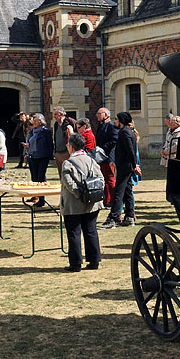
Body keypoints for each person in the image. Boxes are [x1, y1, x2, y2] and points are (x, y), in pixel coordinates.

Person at [60, 133, 104, 272]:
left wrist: (78, 193)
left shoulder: (68, 163)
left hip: (74, 204)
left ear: (71, 147)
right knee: (91, 231)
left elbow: (68, 183)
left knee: (74, 232)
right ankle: (94, 260)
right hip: (92, 202)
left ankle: (76, 263)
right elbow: (101, 179)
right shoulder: (91, 160)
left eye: (68, 145)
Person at [99, 112, 141, 229]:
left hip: (125, 167)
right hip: (126, 166)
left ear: (122, 121)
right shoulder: (127, 131)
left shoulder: (124, 132)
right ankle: (129, 216)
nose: (114, 122)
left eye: (116, 120)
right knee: (127, 191)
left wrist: (134, 165)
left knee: (118, 192)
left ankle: (113, 218)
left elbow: (130, 150)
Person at [24, 113, 53, 206]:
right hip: (32, 157)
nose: (34, 122)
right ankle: (36, 197)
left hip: (42, 157)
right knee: (34, 178)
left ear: (40, 121)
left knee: (41, 177)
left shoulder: (45, 131)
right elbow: (29, 141)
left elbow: (50, 144)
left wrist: (49, 155)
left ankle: (41, 199)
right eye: (34, 120)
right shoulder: (32, 131)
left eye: (36, 120)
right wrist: (27, 147)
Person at [94, 107, 118, 208]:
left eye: (100, 114)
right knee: (103, 179)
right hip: (101, 156)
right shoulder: (101, 125)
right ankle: (106, 200)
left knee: (110, 179)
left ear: (106, 114)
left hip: (108, 156)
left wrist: (103, 148)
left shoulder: (111, 125)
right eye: (97, 114)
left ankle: (113, 200)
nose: (97, 115)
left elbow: (114, 139)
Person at [52, 107, 76, 178]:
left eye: (56, 114)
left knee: (69, 173)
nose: (54, 116)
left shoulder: (70, 121)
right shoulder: (56, 124)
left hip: (67, 152)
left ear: (61, 114)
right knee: (61, 174)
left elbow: (76, 135)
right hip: (58, 153)